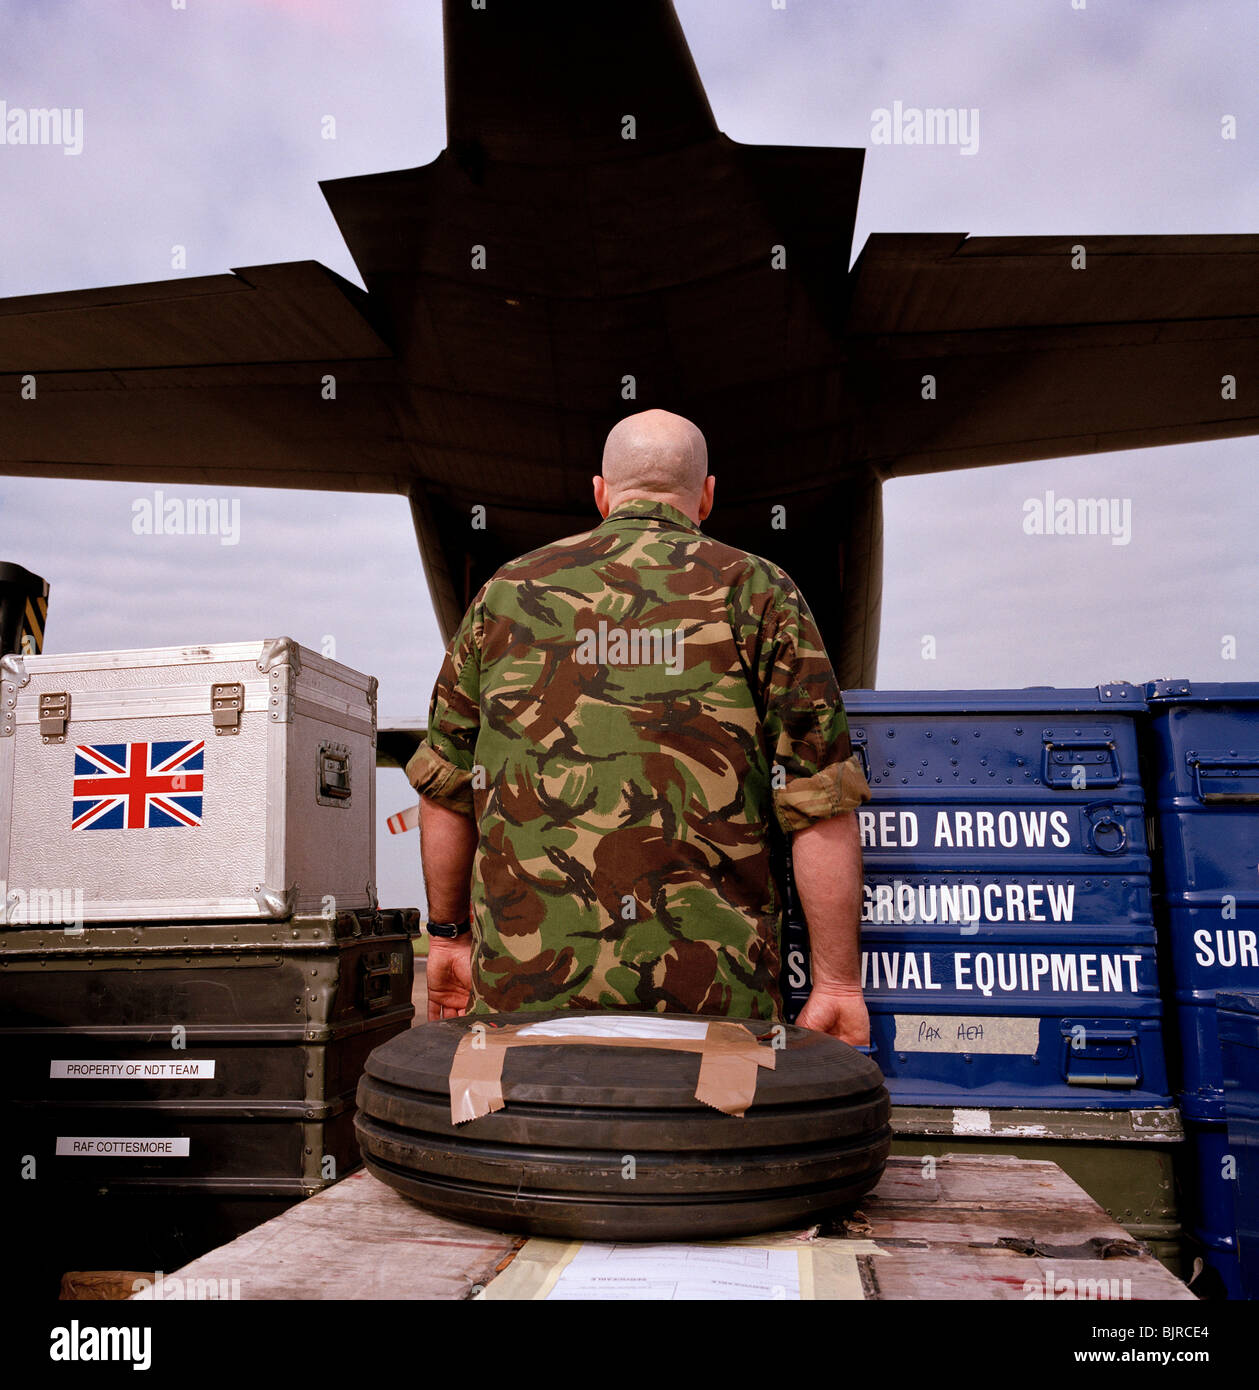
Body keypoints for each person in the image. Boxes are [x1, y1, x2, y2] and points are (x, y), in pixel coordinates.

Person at [407, 408, 872, 1042]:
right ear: (707, 496)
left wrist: (448, 937)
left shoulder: (505, 593)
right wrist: (838, 985)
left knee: (530, 1141)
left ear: (600, 494)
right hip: (717, 1013)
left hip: (522, 1005)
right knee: (712, 1141)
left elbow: (446, 789)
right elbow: (819, 803)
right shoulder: (760, 592)